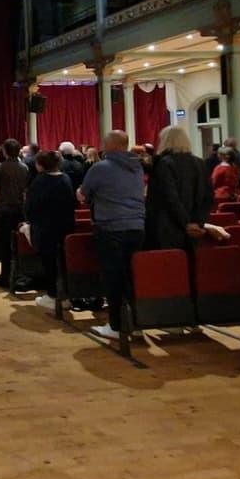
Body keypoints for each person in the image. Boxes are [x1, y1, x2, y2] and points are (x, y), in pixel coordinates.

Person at [79, 131, 146, 341]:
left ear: (110, 146)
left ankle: (116, 325)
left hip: (111, 228)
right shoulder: (137, 166)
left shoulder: (100, 168)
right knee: (132, 277)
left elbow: (84, 194)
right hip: (137, 227)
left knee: (113, 277)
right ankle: (136, 324)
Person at [145, 126, 214, 250]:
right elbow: (208, 197)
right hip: (194, 228)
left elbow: (171, 197)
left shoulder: (164, 163)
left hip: (169, 226)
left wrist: (186, 223)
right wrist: (198, 222)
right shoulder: (200, 163)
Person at [27, 151, 77, 310]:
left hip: (45, 229)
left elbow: (30, 208)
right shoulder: (66, 178)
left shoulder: (39, 181)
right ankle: (64, 296)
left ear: (40, 165)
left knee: (49, 263)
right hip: (65, 227)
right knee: (63, 263)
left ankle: (52, 295)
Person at [0, 139, 31, 288]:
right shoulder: (24, 167)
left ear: (5, 151)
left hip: (4, 210)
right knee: (19, 244)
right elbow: (26, 191)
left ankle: (5, 276)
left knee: (5, 245)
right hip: (19, 211)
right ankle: (18, 276)